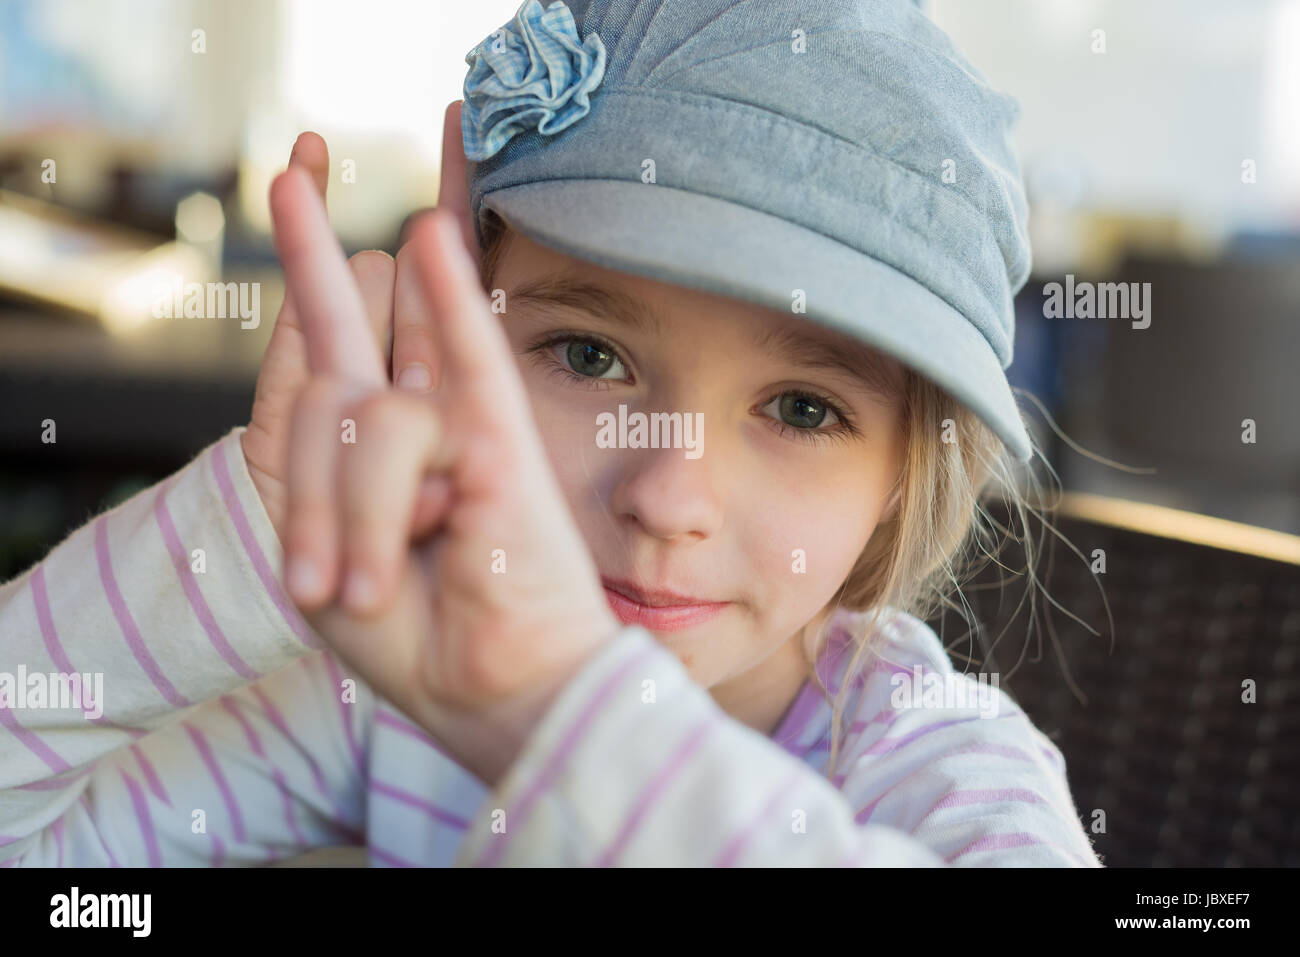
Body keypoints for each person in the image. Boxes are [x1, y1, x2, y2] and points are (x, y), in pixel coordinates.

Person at [0, 0, 1102, 866]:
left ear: (903, 482)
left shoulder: (937, 763)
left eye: (803, 410)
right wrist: (253, 550)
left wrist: (555, 715)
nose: (668, 496)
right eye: (587, 356)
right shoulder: (393, 695)